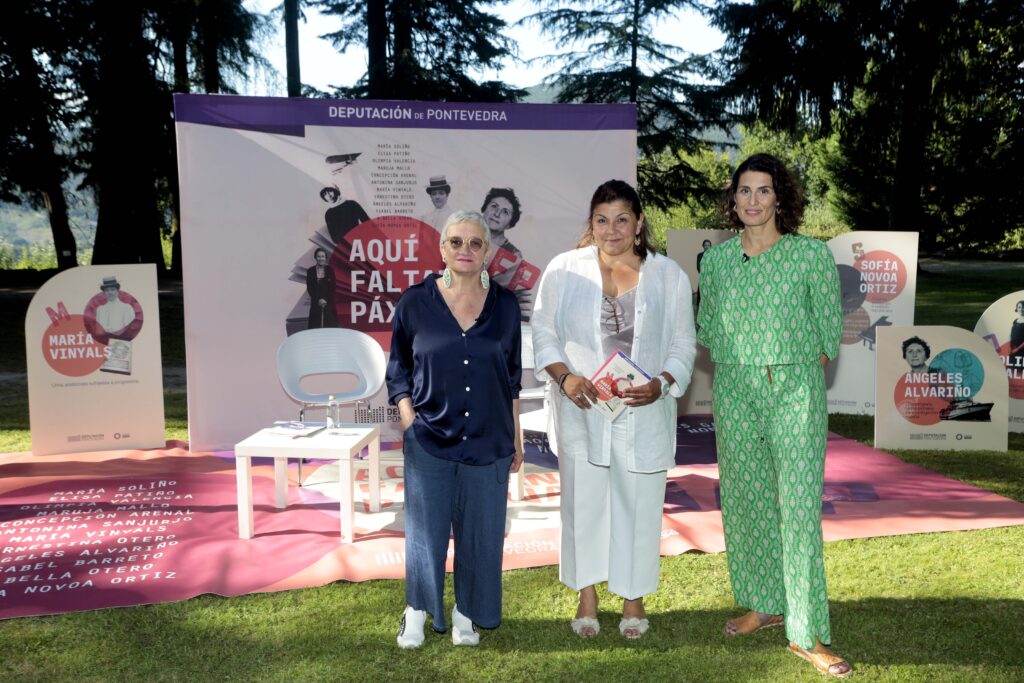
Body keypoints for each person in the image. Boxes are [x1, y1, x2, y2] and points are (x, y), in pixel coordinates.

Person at [698, 153, 851, 677]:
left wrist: (792, 369)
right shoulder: (716, 261)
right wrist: (742, 364)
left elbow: (828, 330)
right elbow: (709, 326)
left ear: (780, 197)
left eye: (764, 191)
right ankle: (764, 602)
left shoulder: (810, 256)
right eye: (744, 191)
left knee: (800, 508)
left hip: (795, 387)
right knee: (745, 500)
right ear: (733, 198)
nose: (753, 201)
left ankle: (806, 631)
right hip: (735, 387)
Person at [531, 179, 696, 640]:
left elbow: (684, 339)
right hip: (582, 405)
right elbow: (542, 330)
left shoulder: (669, 275)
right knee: (583, 503)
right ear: (591, 223)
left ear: (639, 222)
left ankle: (633, 601)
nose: (612, 229)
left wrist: (662, 383)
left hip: (643, 409)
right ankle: (587, 598)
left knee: (639, 506)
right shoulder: (564, 269)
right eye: (602, 220)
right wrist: (566, 377)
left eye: (622, 218)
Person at [386, 210, 525, 649]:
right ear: (442, 248)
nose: (465, 250)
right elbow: (398, 371)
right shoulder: (414, 302)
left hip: (490, 439)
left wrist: (517, 438)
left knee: (482, 533)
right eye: (456, 242)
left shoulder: (505, 305)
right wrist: (410, 424)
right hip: (429, 437)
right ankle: (417, 612)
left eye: (475, 243)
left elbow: (512, 377)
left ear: (488, 251)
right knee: (426, 532)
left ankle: (466, 612)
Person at [480, 187, 536, 316]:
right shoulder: (464, 240)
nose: (497, 214)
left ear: (510, 223)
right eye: (494, 206)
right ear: (484, 209)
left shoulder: (513, 256)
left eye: (505, 212)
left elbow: (512, 299)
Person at [305, 248, 337, 328]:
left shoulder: (330, 270)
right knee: (315, 328)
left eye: (323, 256)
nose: (321, 258)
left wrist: (324, 300)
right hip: (315, 303)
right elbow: (310, 288)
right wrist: (318, 300)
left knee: (330, 327)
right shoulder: (310, 271)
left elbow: (332, 288)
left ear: (325, 258)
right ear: (315, 258)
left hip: (328, 303)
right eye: (318, 256)